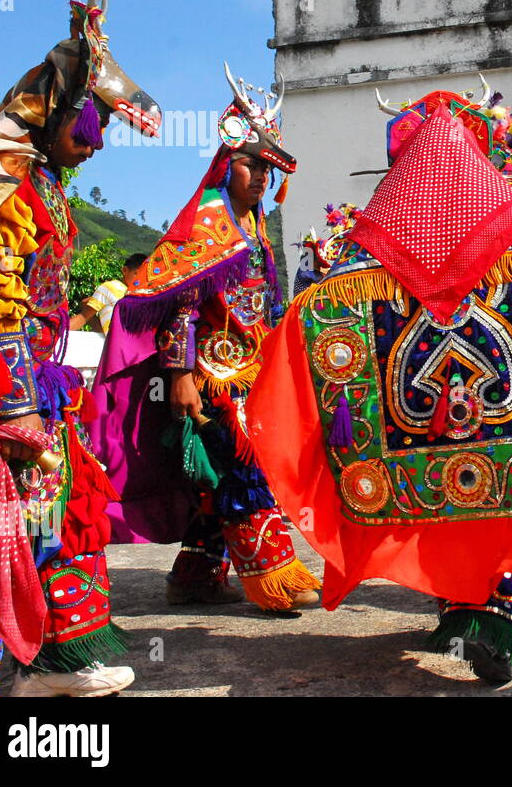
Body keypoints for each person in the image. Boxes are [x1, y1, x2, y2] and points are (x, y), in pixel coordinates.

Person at [245, 88, 512, 683]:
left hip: (415, 434)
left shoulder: (366, 262)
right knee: (502, 513)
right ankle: (490, 621)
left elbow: (310, 311)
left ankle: (461, 613)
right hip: (508, 428)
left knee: (443, 519)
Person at [0, 0, 161, 696]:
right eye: (93, 117)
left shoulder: (48, 188)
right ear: (52, 108)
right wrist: (12, 412)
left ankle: (51, 658)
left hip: (41, 390)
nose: (98, 136)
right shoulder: (3, 184)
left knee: (56, 514)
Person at [93, 66, 321, 614]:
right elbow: (181, 306)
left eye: (268, 167)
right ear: (226, 165)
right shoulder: (208, 225)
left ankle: (195, 572)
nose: (261, 177)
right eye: (251, 164)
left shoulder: (258, 229)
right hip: (215, 378)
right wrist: (180, 375)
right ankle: (273, 576)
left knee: (215, 479)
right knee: (245, 470)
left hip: (252, 370)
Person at [70, 252, 145, 335]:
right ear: (125, 270)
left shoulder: (143, 294)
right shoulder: (112, 287)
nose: (140, 279)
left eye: (144, 276)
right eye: (137, 274)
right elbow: (84, 315)